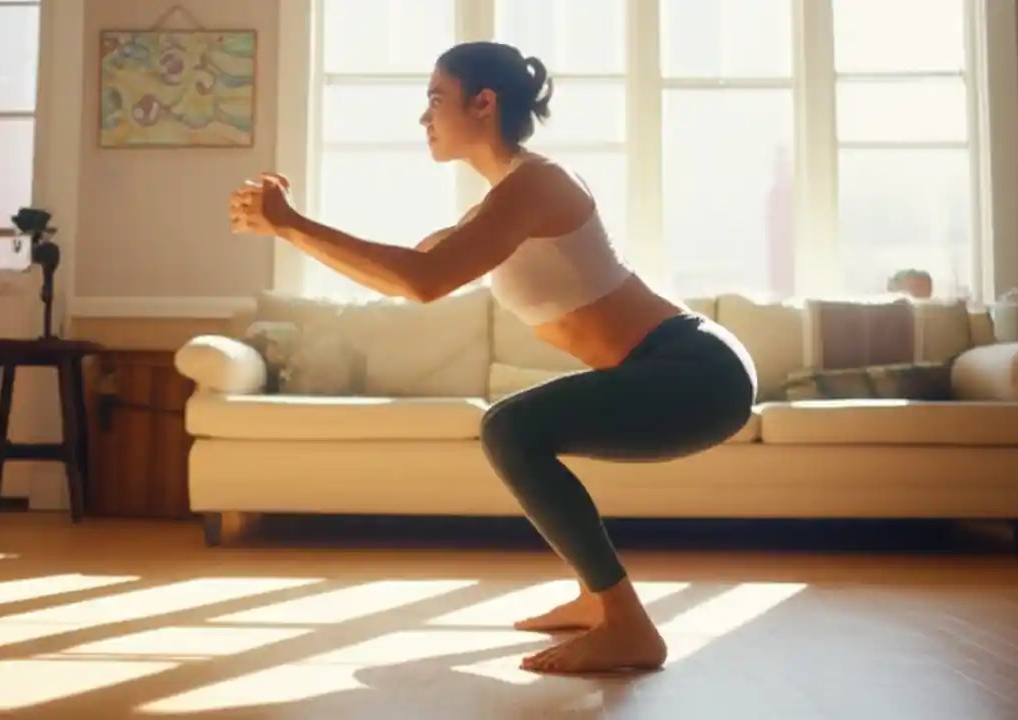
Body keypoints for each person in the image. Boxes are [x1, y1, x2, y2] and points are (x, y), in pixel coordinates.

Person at [228, 41, 758, 675]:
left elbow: (423, 279)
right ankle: (599, 600)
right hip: (677, 368)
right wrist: (286, 228)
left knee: (510, 427)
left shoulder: (538, 183)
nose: (423, 117)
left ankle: (629, 627)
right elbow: (404, 276)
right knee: (514, 429)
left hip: (697, 372)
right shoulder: (497, 205)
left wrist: (291, 223)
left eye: (435, 99)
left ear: (484, 103)